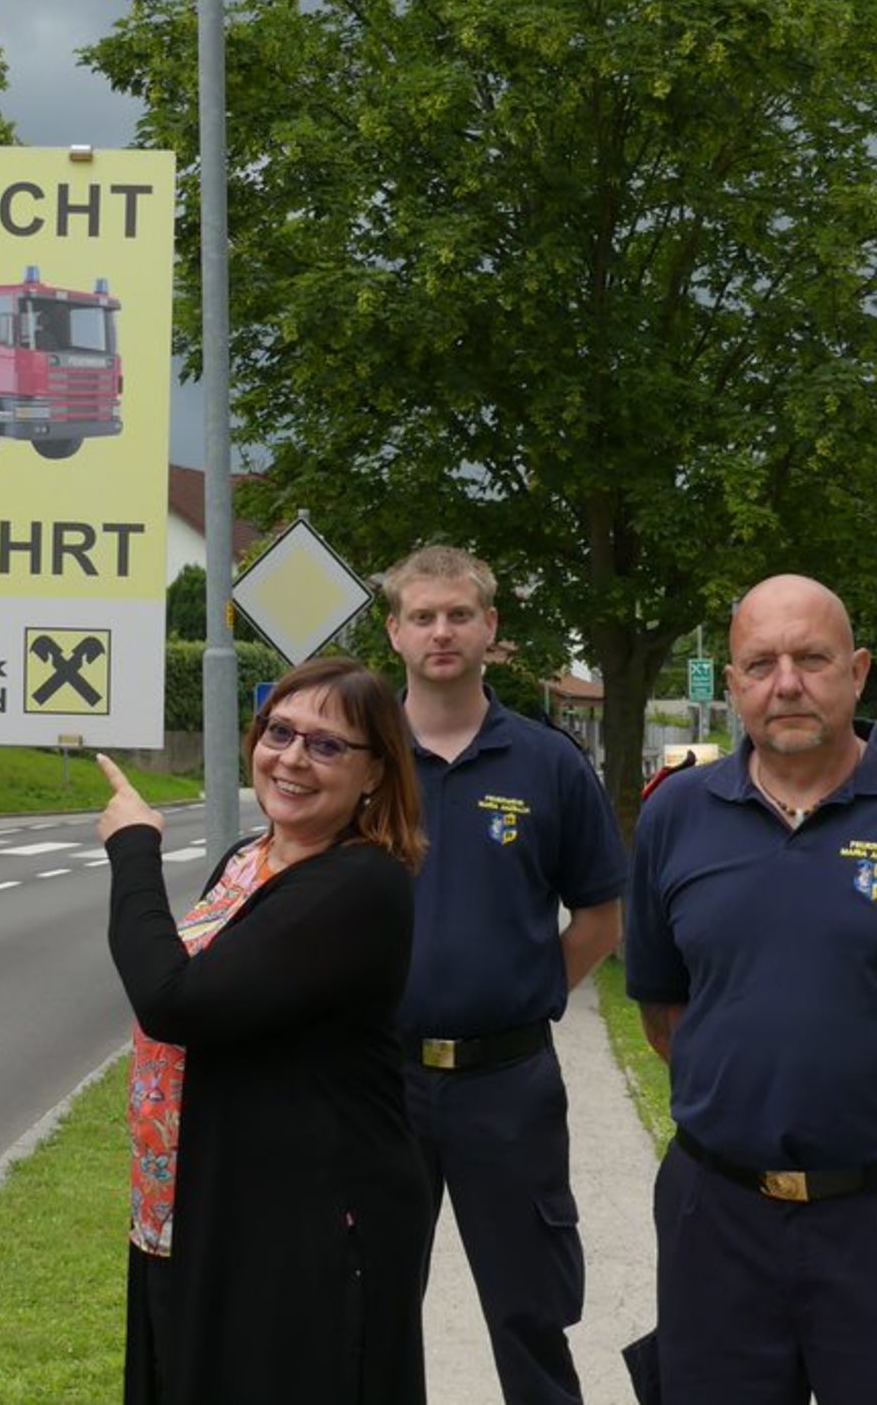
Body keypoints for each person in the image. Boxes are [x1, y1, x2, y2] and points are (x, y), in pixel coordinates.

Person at [623, 573, 877, 1405]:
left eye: (811, 659)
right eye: (761, 663)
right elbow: (666, 1011)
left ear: (856, 670)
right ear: (735, 682)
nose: (787, 683)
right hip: (720, 1219)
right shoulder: (677, 814)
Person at [97, 654, 432, 1405]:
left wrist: (134, 848)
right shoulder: (247, 859)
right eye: (280, 731)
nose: (292, 758)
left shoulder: (359, 884)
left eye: (326, 744)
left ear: (376, 771)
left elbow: (176, 1001)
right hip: (195, 1205)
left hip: (304, 1227)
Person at [382, 544, 626, 1405]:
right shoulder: (360, 758)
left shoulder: (548, 762)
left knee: (530, 1314)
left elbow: (601, 916)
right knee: (366, 1314)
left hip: (508, 1086)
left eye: (459, 614)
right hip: (381, 1083)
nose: (441, 631)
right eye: (423, 615)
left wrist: (529, 982)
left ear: (491, 627)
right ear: (395, 631)